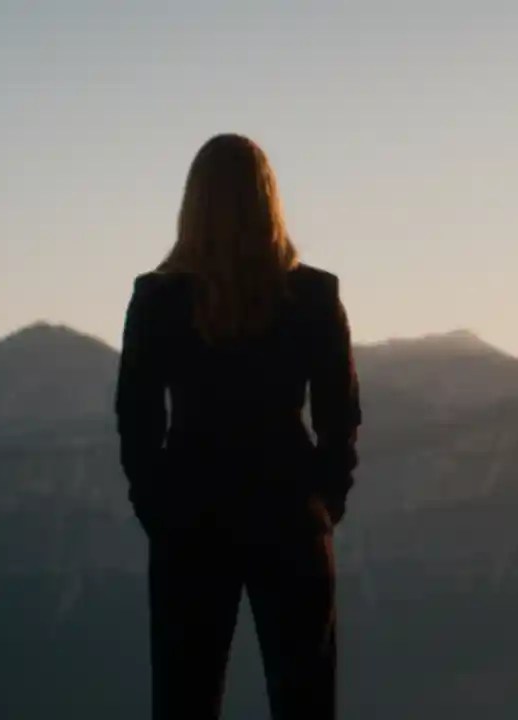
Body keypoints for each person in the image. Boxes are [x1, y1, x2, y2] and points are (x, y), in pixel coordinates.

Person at [114, 134, 361, 720]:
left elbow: (136, 421)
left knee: (184, 699)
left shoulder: (156, 300)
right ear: (268, 197)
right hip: (289, 513)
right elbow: (339, 415)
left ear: (191, 203)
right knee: (304, 700)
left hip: (191, 518)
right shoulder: (314, 295)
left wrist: (158, 507)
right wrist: (324, 501)